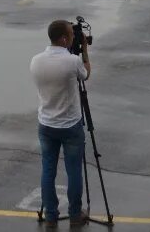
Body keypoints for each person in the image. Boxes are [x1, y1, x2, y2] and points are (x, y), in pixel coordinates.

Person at [30, 19, 92, 228]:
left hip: (46, 124)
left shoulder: (35, 60)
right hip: (70, 125)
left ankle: (51, 215)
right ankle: (75, 213)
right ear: (65, 39)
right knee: (74, 170)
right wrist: (83, 49)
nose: (74, 39)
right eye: (72, 36)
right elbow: (86, 74)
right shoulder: (72, 61)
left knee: (48, 170)